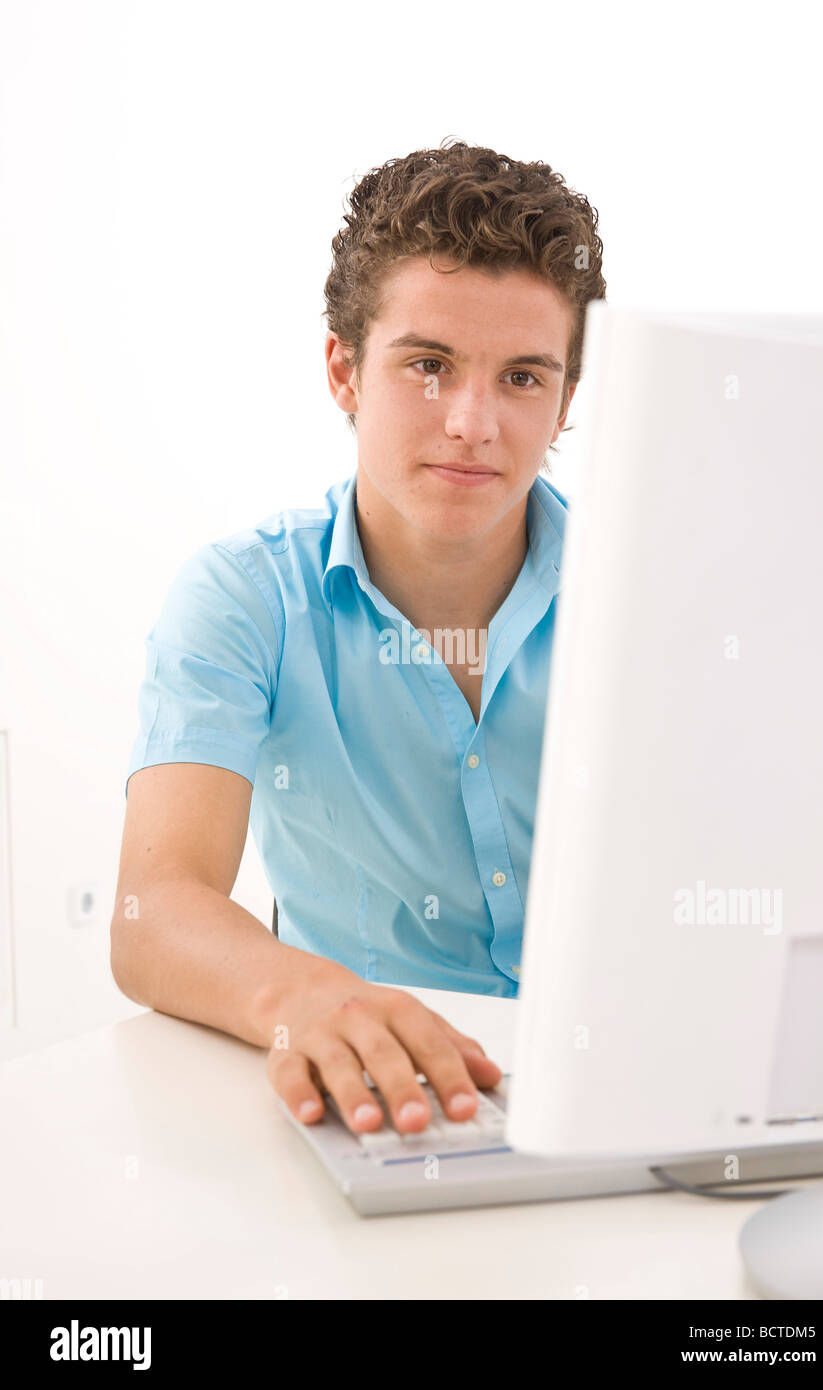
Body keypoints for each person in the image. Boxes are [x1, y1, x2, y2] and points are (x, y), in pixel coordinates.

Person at [111, 139, 606, 1139]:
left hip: (615, 1081)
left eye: (520, 376)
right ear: (343, 369)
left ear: (563, 400)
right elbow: (154, 910)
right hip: (387, 1099)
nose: (471, 421)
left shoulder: (646, 585)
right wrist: (298, 998)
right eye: (428, 366)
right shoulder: (245, 597)